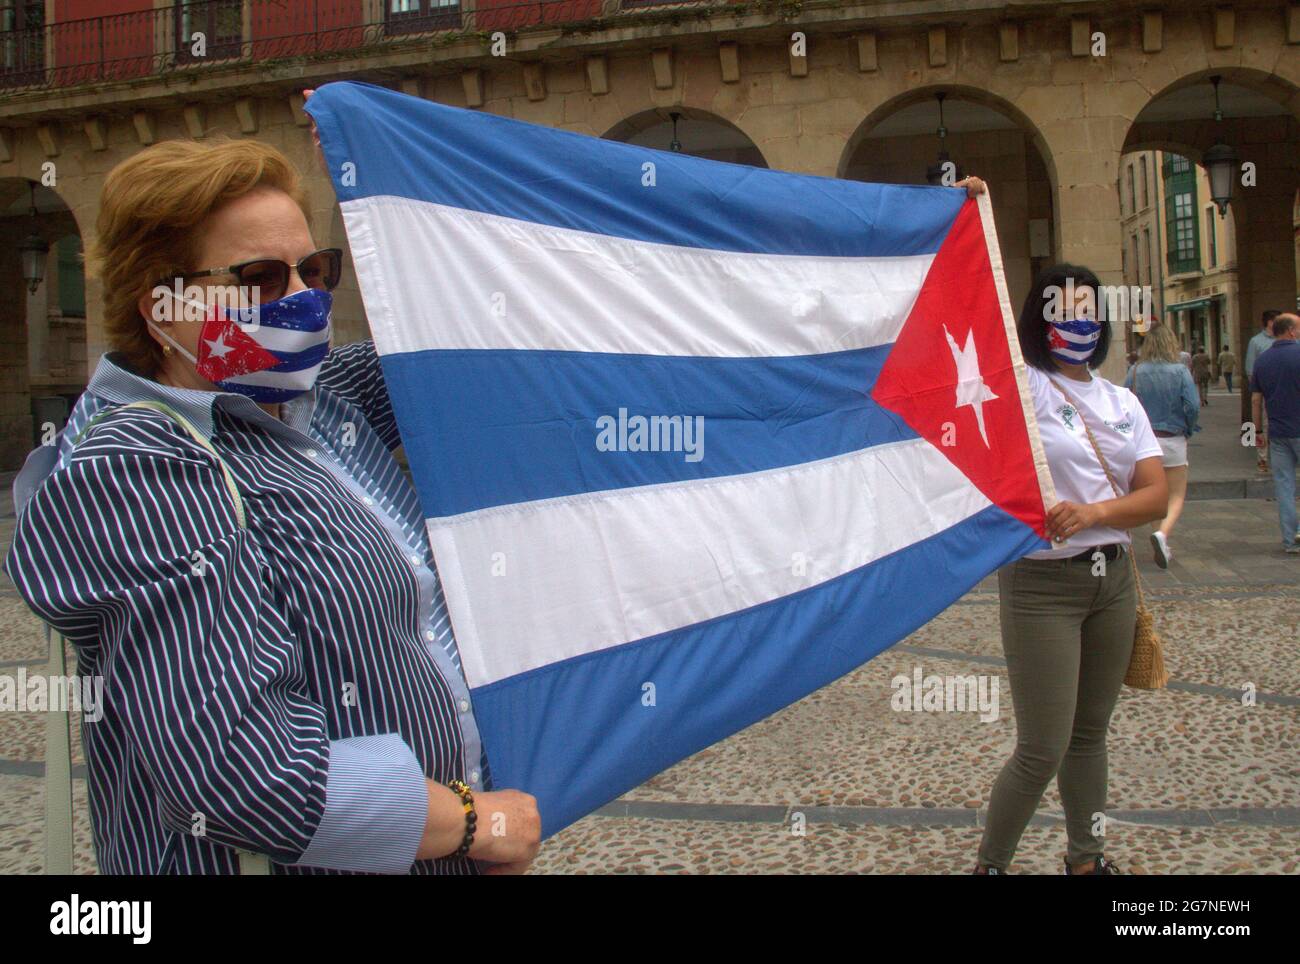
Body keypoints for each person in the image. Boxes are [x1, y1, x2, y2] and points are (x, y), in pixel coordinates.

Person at [4, 138, 543, 874]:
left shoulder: (316, 403)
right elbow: (240, 772)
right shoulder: (139, 464)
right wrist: (475, 821)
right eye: (259, 278)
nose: (303, 296)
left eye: (313, 270)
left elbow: (473, 340)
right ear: (159, 301)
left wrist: (397, 167)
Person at [973, 264, 1167, 876]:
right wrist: (963, 201)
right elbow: (975, 310)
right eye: (1060, 307)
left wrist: (1096, 513)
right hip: (1041, 584)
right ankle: (991, 866)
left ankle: (1086, 861)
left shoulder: (1122, 400)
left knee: (1089, 736)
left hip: (1112, 580)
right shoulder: (1022, 383)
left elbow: (1156, 495)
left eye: (1087, 307)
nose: (1075, 319)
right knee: (1041, 747)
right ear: (1040, 317)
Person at [1125, 324, 1200, 568]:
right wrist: (1188, 428)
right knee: (1175, 494)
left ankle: (1160, 540)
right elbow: (1192, 405)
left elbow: (1123, 403)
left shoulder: (1135, 371)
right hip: (1173, 437)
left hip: (1143, 442)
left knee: (1151, 492)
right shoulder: (1180, 371)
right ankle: (1162, 534)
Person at [1250, 313, 1300, 554]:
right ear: (1290, 330)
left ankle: (1290, 540)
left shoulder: (1263, 360)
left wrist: (1256, 431)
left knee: (1284, 486)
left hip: (1278, 433)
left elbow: (1256, 400)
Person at [1247, 310, 1281, 474]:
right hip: (1264, 390)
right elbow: (1250, 367)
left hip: (1284, 390)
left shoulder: (1285, 339)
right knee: (1261, 425)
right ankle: (1262, 458)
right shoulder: (1256, 342)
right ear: (1269, 322)